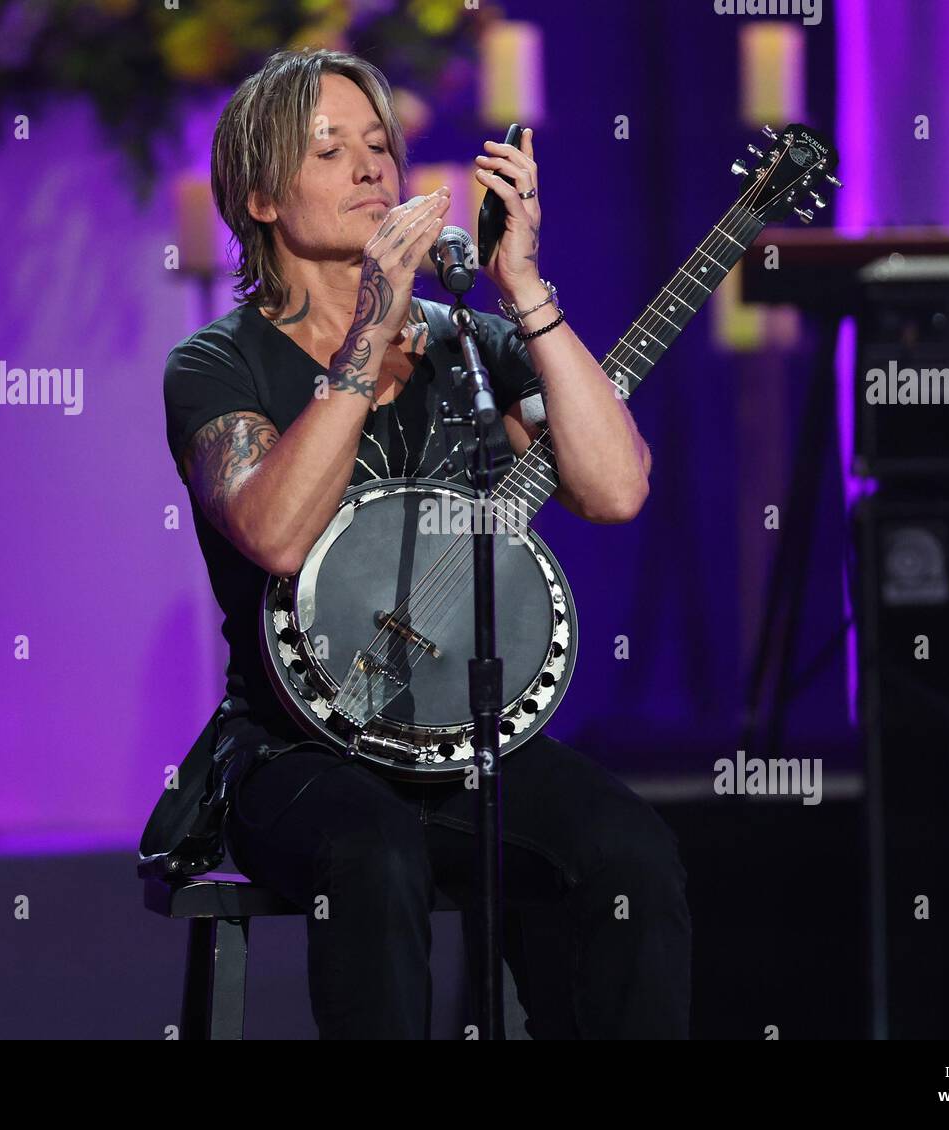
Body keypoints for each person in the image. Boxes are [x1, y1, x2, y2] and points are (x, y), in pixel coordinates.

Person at [163, 47, 690, 1039]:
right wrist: (368, 331)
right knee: (374, 851)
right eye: (330, 150)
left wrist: (522, 288)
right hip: (295, 749)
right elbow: (274, 533)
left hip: (466, 742)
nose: (371, 168)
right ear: (261, 197)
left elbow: (615, 488)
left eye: (379, 146)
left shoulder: (470, 344)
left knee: (628, 850)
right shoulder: (216, 364)